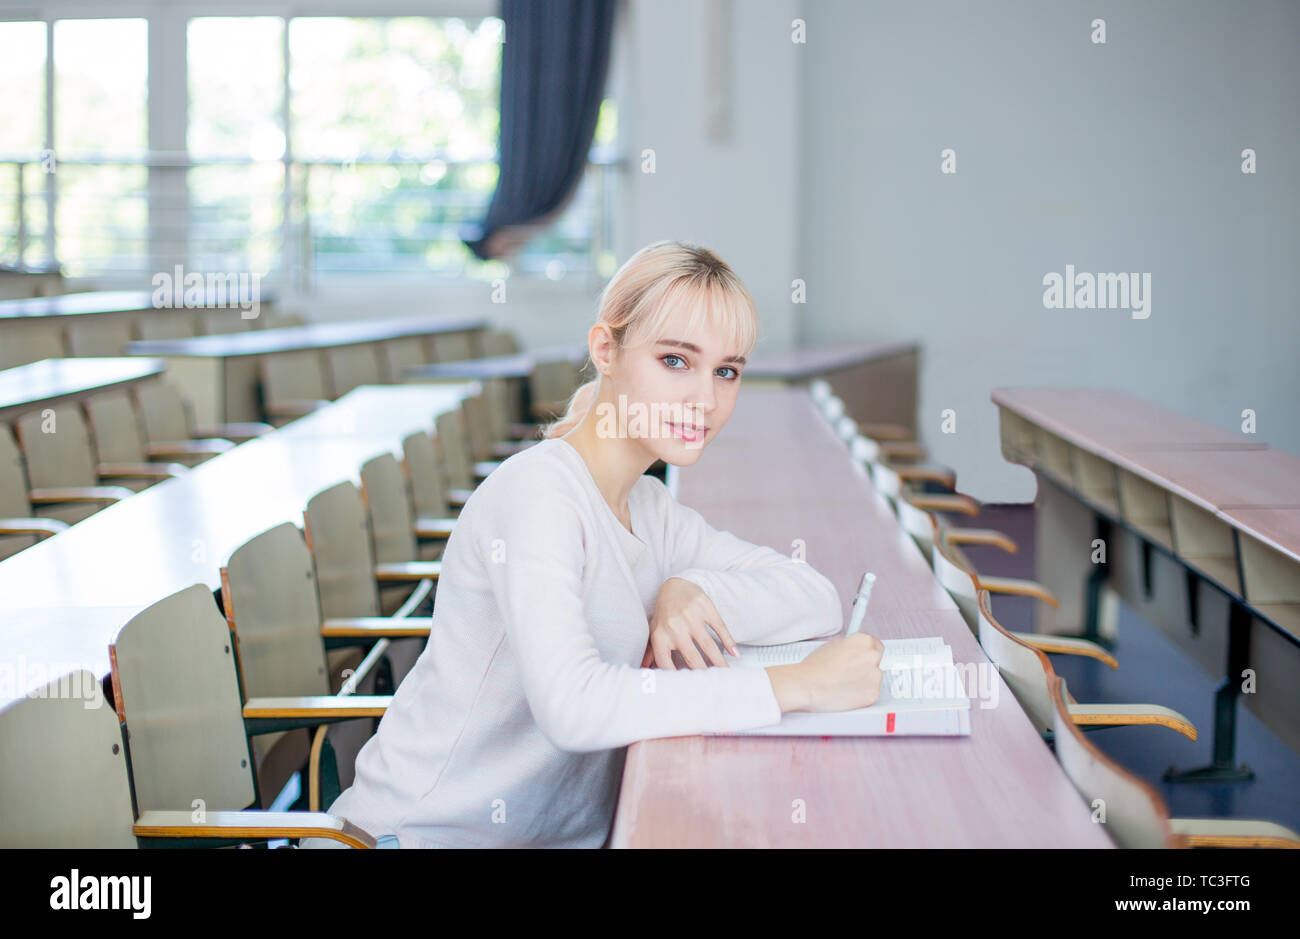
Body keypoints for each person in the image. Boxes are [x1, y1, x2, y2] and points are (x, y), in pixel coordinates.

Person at [303, 241, 884, 849]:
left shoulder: (650, 508)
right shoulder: (539, 494)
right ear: (606, 350)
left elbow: (815, 598)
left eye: (726, 371)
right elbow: (573, 706)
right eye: (676, 361)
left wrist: (692, 589)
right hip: (411, 839)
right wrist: (799, 685)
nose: (706, 400)